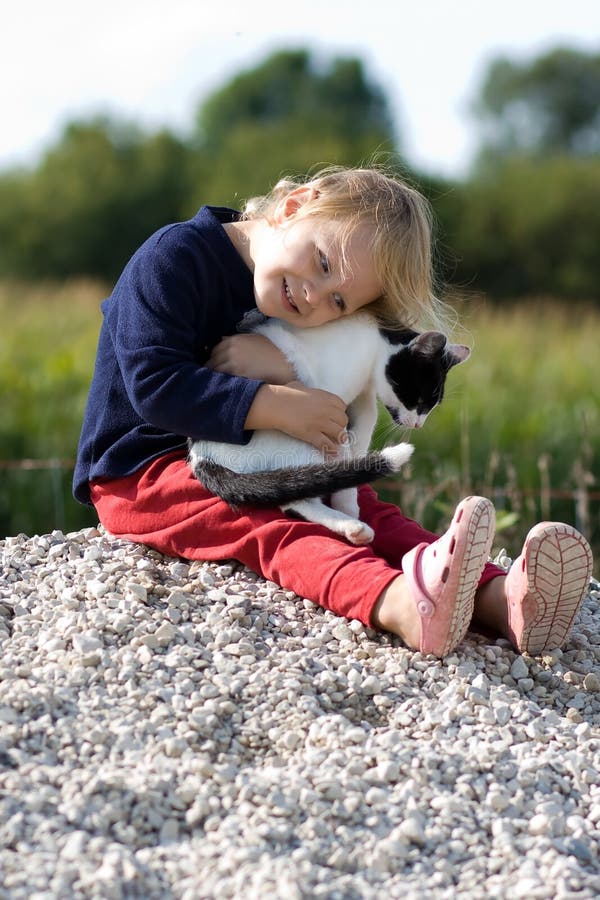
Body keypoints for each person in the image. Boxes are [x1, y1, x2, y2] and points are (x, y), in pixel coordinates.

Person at [73, 166, 593, 658]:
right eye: (322, 263)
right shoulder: (176, 257)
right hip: (144, 471)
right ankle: (399, 603)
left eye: (339, 302)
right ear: (296, 204)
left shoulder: (287, 291)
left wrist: (279, 370)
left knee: (365, 508)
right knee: (273, 521)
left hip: (254, 451)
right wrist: (276, 405)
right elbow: (154, 386)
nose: (313, 296)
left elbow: (309, 360)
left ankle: (499, 599)